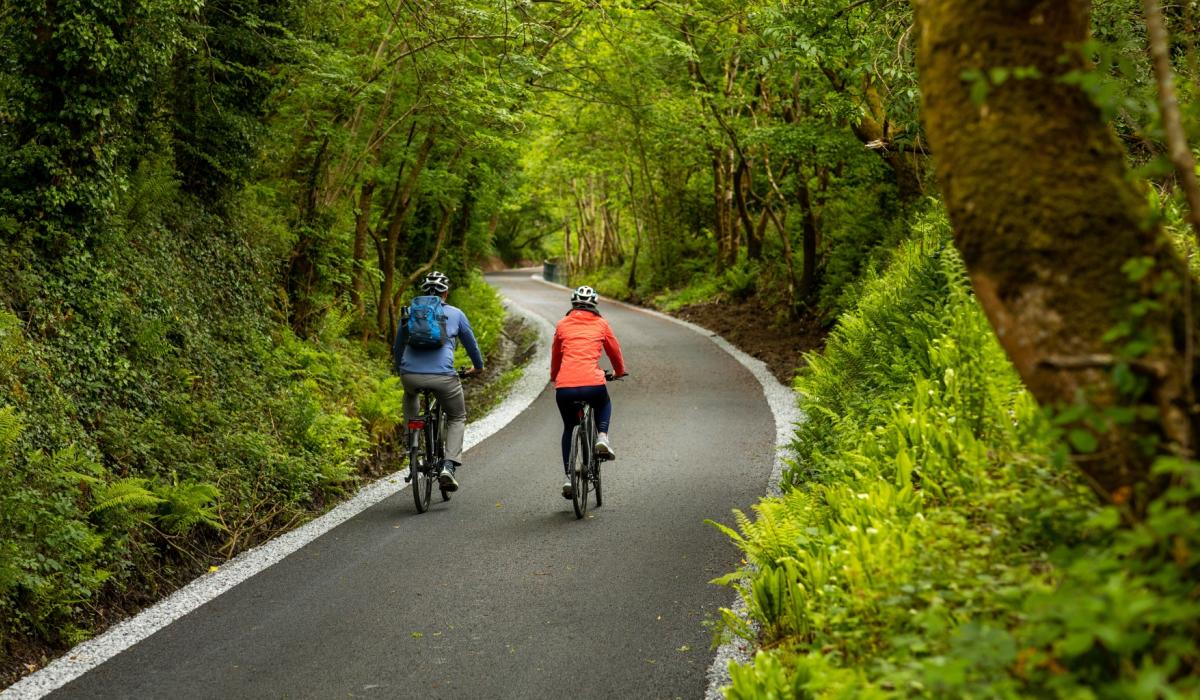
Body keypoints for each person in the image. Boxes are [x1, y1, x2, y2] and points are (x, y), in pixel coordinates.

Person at [394, 271, 483, 492]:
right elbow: (471, 345)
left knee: (410, 394)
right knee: (457, 416)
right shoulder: (456, 314)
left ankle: (410, 437)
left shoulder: (410, 313)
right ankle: (448, 467)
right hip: (443, 376)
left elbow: (398, 347)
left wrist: (402, 370)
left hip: (410, 374)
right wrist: (478, 367)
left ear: (424, 292)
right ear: (446, 292)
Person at [550, 285, 627, 499]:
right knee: (603, 403)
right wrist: (619, 372)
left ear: (573, 304)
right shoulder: (601, 324)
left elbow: (556, 356)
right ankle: (602, 436)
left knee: (569, 427)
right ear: (596, 305)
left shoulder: (562, 324)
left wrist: (555, 376)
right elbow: (615, 351)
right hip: (593, 384)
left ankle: (568, 477)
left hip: (564, 387)